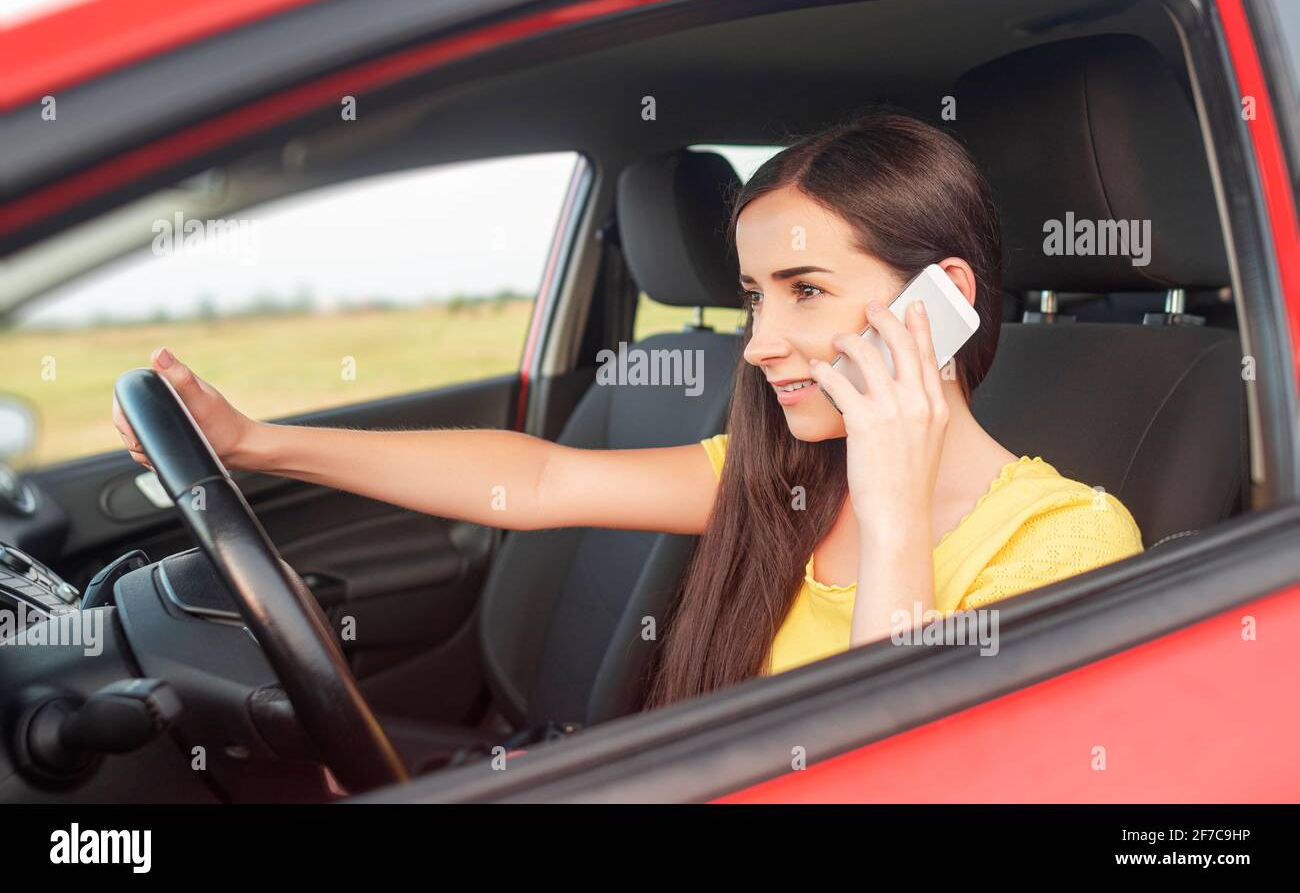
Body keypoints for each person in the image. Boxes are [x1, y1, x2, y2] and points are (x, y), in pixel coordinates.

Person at [113, 109, 1143, 713]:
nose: (760, 341)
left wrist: (890, 496)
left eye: (807, 289)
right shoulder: (781, 476)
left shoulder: (1065, 541)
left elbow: (887, 762)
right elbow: (540, 482)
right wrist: (254, 442)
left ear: (944, 299)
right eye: (754, 296)